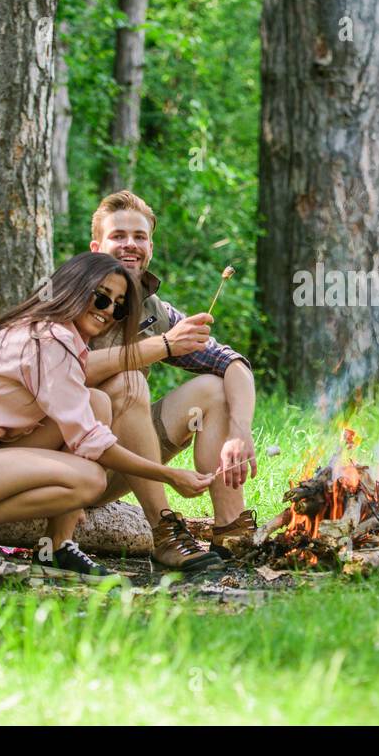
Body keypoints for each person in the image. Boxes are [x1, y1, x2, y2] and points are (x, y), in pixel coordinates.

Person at [0, 252, 216, 575]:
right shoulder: (51, 339)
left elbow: (83, 424)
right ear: (75, 288)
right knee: (88, 481)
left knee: (96, 402)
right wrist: (168, 474)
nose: (109, 311)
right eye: (101, 298)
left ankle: (58, 545)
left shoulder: (61, 336)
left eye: (119, 306)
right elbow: (92, 443)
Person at [83, 191, 260, 564]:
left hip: (122, 462)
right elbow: (68, 370)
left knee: (215, 388)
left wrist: (240, 431)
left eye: (140, 236)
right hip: (68, 463)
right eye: (118, 236)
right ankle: (164, 532)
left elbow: (233, 363)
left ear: (150, 246)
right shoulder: (72, 298)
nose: (130, 244)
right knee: (129, 383)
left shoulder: (155, 310)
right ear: (96, 247)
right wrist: (163, 346)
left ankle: (231, 533)